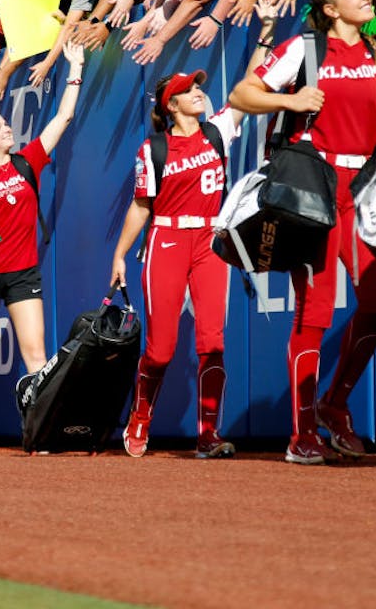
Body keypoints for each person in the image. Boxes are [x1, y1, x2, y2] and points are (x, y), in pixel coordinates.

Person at [230, 0, 376, 464]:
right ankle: (302, 433)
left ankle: (334, 404)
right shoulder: (306, 49)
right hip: (315, 189)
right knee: (313, 314)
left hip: (364, 191)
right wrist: (288, 100)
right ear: (331, 9)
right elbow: (241, 96)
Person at [0, 42, 86, 453]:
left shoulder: (28, 161)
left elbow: (63, 117)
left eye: (7, 124)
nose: (8, 129)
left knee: (36, 355)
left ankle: (40, 429)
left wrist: (75, 69)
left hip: (23, 272)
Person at [109, 55, 249, 458]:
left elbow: (251, 87)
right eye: (188, 90)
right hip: (167, 238)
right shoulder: (154, 148)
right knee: (161, 350)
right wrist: (119, 255)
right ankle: (140, 416)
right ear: (171, 105)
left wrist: (265, 38)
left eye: (198, 86)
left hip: (210, 239)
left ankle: (208, 434)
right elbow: (141, 206)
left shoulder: (216, 130)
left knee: (212, 341)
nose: (198, 92)